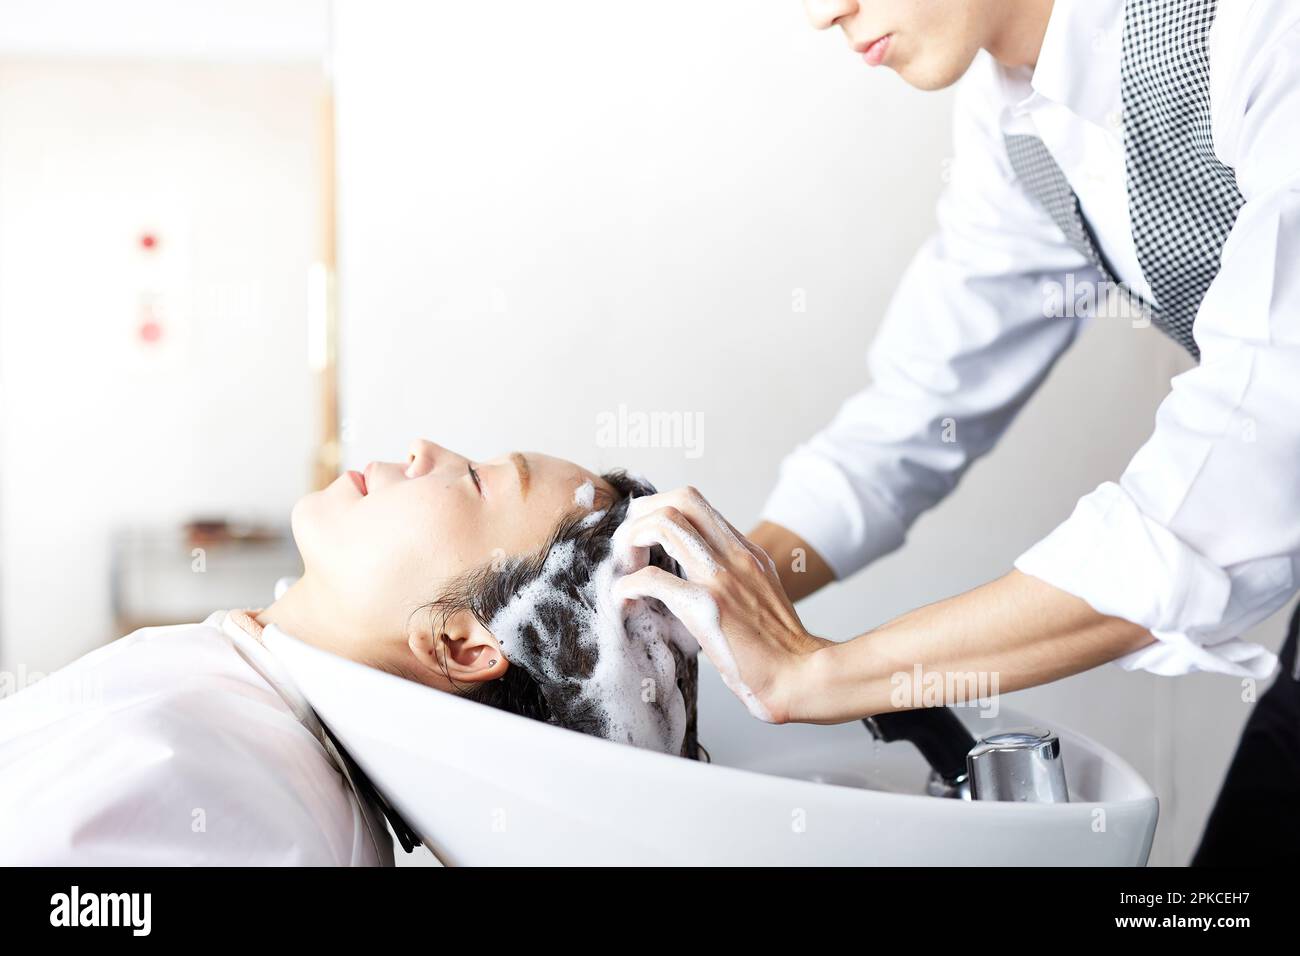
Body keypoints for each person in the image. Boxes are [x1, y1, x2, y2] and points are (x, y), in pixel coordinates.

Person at [614, 0, 1300, 863]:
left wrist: (820, 673)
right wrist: (709, 593)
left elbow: (1238, 476)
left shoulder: (1263, 27)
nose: (823, 14)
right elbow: (910, 422)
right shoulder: (1012, 116)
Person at [0, 439, 697, 865]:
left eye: (478, 479)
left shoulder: (235, 799)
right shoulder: (240, 712)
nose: (427, 450)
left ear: (460, 643)